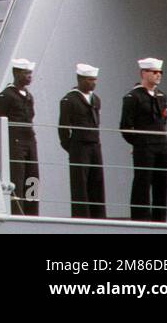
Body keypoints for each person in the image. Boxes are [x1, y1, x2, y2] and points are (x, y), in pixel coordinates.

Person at [120, 57, 167, 222]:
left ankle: (160, 219)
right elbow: (125, 126)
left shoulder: (161, 96)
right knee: (143, 182)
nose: (158, 75)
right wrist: (137, 143)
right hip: (144, 145)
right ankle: (141, 219)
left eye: (160, 72)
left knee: (161, 183)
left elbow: (163, 120)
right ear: (144, 73)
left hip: (161, 144)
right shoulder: (133, 97)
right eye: (154, 72)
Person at [0, 58, 40, 215]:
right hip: (15, 142)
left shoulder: (28, 96)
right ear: (16, 73)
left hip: (29, 141)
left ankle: (32, 212)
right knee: (17, 180)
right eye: (26, 73)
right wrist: (1, 145)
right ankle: (17, 212)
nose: (29, 76)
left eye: (30, 73)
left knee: (32, 178)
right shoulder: (6, 96)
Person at [58, 63, 105, 219]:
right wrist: (70, 147)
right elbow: (63, 127)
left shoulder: (95, 99)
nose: (94, 83)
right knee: (80, 185)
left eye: (95, 79)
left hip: (94, 145)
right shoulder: (69, 100)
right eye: (90, 80)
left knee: (97, 182)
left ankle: (98, 217)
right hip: (79, 146)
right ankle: (82, 217)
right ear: (81, 79)